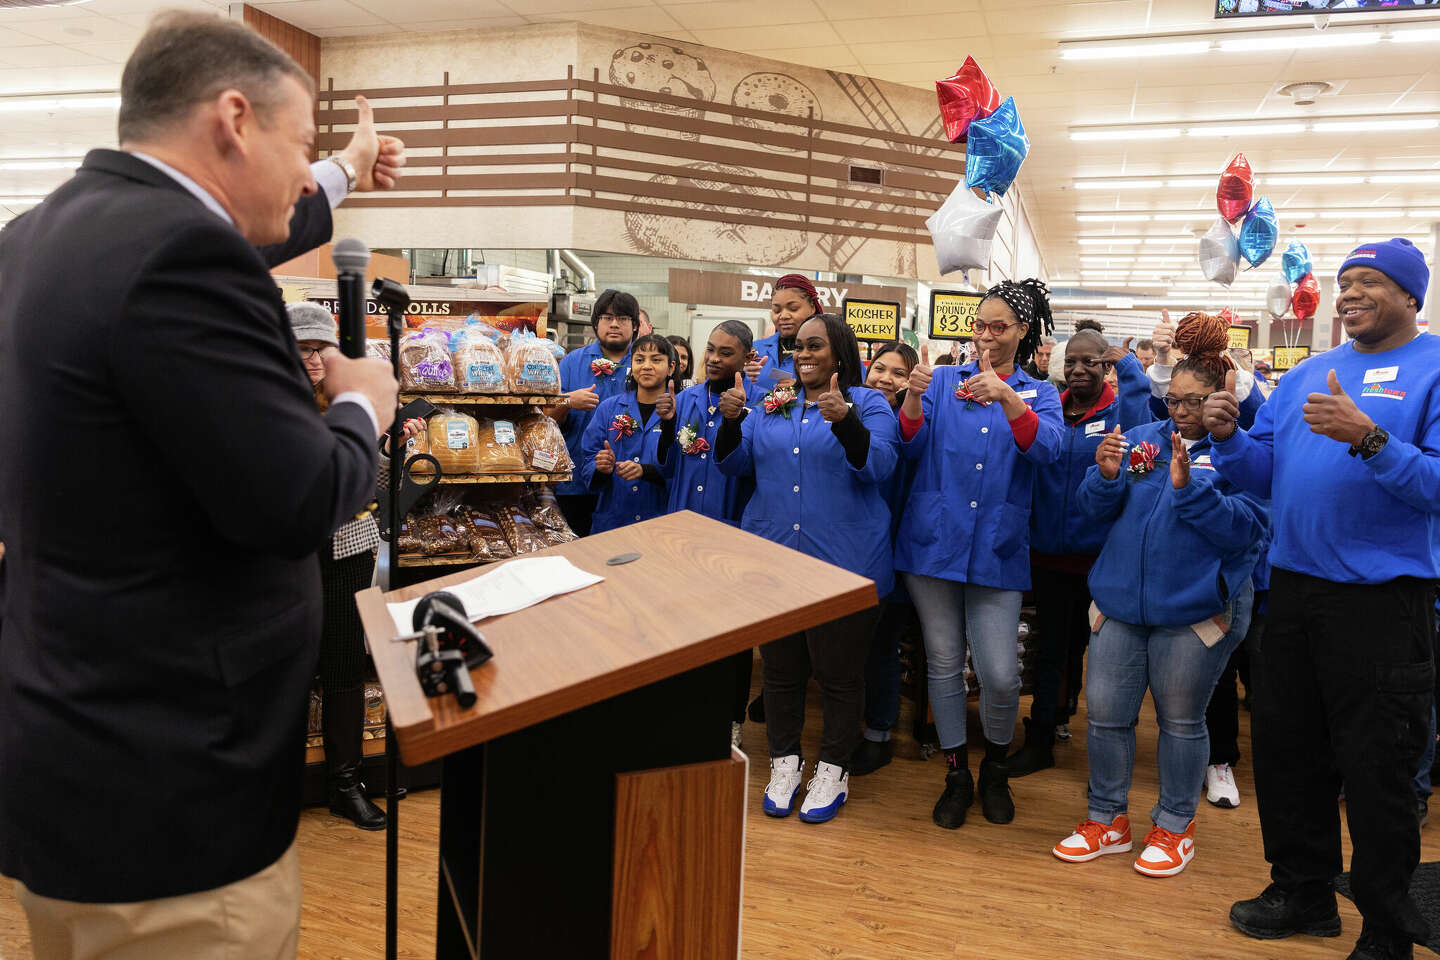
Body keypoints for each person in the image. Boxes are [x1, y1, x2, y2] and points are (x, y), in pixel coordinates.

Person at [0, 13, 405, 956]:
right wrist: (361, 409)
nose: (308, 176)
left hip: (75, 762)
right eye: (302, 146)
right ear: (234, 118)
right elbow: (299, 500)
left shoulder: (41, 236)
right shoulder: (182, 258)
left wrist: (345, 166)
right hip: (176, 807)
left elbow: (232, 233)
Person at [1210, 239, 1439, 959]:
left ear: (1411, 296)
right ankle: (1302, 892)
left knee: (1378, 770)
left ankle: (1386, 929)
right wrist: (1228, 437)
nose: (1350, 293)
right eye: (1344, 282)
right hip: (1296, 594)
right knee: (1287, 754)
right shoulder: (1312, 368)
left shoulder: (1434, 369)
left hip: (1382, 603)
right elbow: (1266, 470)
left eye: (1371, 281)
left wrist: (1371, 439)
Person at [1050, 312, 1266, 879]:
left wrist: (1189, 489)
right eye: (1173, 400)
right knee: (1106, 718)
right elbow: (1093, 515)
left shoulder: (1241, 453)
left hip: (1193, 613)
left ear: (1222, 398)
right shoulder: (1142, 440)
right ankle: (1107, 820)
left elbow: (1245, 533)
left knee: (1181, 721)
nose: (1180, 411)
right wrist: (1101, 477)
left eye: (1193, 401)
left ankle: (1174, 826)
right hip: (1122, 605)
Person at [894, 278, 1063, 830]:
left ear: (1022, 332)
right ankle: (955, 773)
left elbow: (1050, 452)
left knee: (1000, 674)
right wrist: (915, 396)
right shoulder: (944, 380)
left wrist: (1010, 397)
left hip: (997, 547)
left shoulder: (1041, 392)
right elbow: (911, 446)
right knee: (941, 665)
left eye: (999, 327)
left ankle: (993, 766)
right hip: (933, 544)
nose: (986, 336)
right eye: (979, 326)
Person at [716, 313, 897, 824]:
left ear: (839, 352)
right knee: (780, 672)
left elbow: (879, 466)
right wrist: (731, 421)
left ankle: (834, 768)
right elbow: (733, 464)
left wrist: (845, 422)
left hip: (846, 564)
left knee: (839, 676)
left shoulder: (868, 402)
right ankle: (785, 763)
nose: (803, 353)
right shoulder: (772, 404)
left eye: (815, 345)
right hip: (774, 560)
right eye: (797, 345)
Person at [288, 303, 425, 832]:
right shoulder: (271, 406)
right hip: (290, 555)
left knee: (344, 659)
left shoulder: (357, 405)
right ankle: (286, 783)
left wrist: (394, 447)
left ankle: (344, 784)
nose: (313, 359)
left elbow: (379, 483)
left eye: (320, 348)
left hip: (348, 547)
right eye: (301, 348)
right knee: (292, 666)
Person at [1008, 326, 1153, 777]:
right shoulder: (1050, 407)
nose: (1077, 369)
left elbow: (1139, 422)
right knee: (1052, 648)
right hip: (1048, 553)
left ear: (1105, 365)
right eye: (1070, 361)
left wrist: (1128, 368)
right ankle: (1042, 735)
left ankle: (1092, 737)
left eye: (1089, 361)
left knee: (1093, 655)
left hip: (1100, 558)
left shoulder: (1117, 411)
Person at [662, 320, 759, 747]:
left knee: (732, 638)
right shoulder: (683, 401)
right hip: (681, 533)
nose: (715, 359)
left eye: (727, 352)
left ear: (747, 359)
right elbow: (668, 466)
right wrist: (666, 427)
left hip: (731, 533)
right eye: (711, 349)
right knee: (681, 629)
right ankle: (682, 713)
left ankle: (730, 720)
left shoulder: (764, 406)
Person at [852, 340, 920, 775]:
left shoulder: (915, 424)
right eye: (880, 368)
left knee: (882, 648)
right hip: (850, 549)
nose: (886, 379)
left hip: (897, 550)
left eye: (898, 372)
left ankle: (879, 735)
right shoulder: (850, 417)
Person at [553, 289, 638, 536]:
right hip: (576, 483)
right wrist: (567, 401)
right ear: (595, 323)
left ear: (634, 326)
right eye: (606, 317)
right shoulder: (571, 362)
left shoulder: (644, 363)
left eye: (623, 318)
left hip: (628, 483)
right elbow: (546, 421)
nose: (614, 324)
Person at [580, 334, 679, 535]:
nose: (647, 366)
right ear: (631, 365)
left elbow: (686, 469)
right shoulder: (609, 408)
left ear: (671, 367)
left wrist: (647, 471)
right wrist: (601, 467)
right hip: (614, 521)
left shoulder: (682, 410)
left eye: (656, 359)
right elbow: (588, 459)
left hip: (661, 521)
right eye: (639, 360)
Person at [748, 273, 821, 388]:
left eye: (793, 309)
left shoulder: (831, 352)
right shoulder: (754, 350)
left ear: (812, 307)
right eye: (777, 310)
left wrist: (802, 391)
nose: (783, 316)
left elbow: (853, 396)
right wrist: (741, 378)